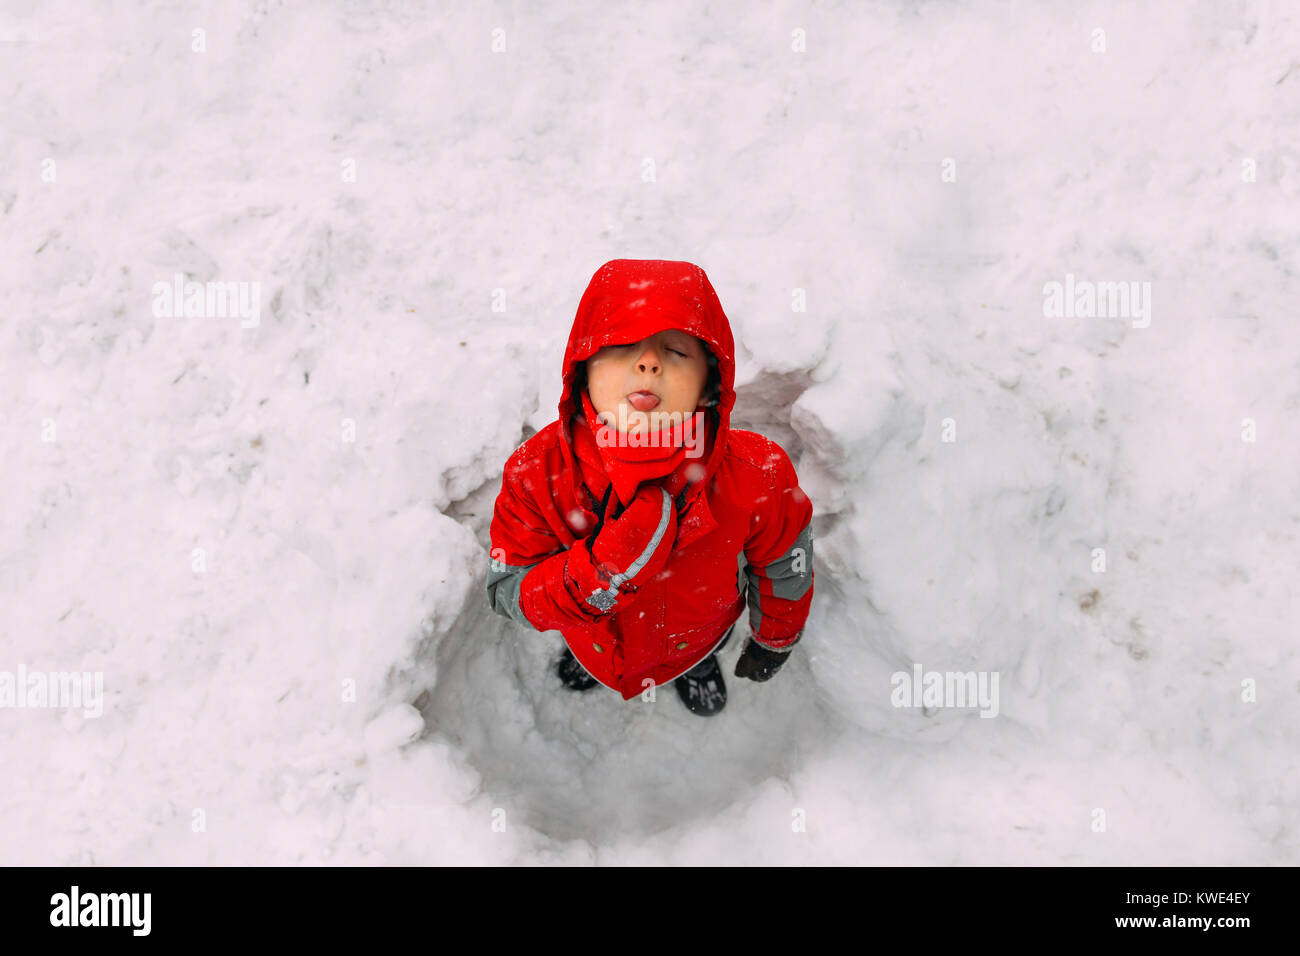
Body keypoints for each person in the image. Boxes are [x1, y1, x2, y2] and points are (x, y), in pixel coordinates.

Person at [486, 259, 814, 716]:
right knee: (593, 642)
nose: (647, 362)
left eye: (676, 351)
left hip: (696, 637)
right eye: (621, 346)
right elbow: (508, 590)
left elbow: (783, 569)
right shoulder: (536, 472)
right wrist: (596, 580)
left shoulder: (759, 474)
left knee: (693, 656)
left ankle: (695, 669)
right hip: (592, 636)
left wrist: (774, 638)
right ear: (583, 369)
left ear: (708, 385)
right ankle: (596, 660)